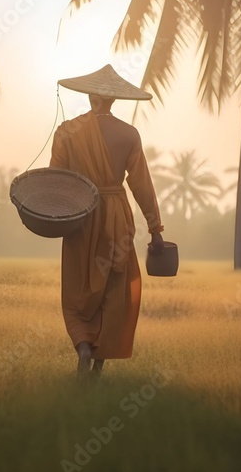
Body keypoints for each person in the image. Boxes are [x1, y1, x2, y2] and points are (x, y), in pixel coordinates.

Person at [49, 65, 165, 381]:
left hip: (79, 216)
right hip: (117, 217)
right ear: (114, 99)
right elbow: (141, 184)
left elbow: (55, 180)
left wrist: (54, 216)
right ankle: (98, 365)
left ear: (90, 97)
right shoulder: (129, 134)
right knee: (114, 288)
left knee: (77, 289)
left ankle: (84, 347)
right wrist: (155, 229)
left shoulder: (67, 132)